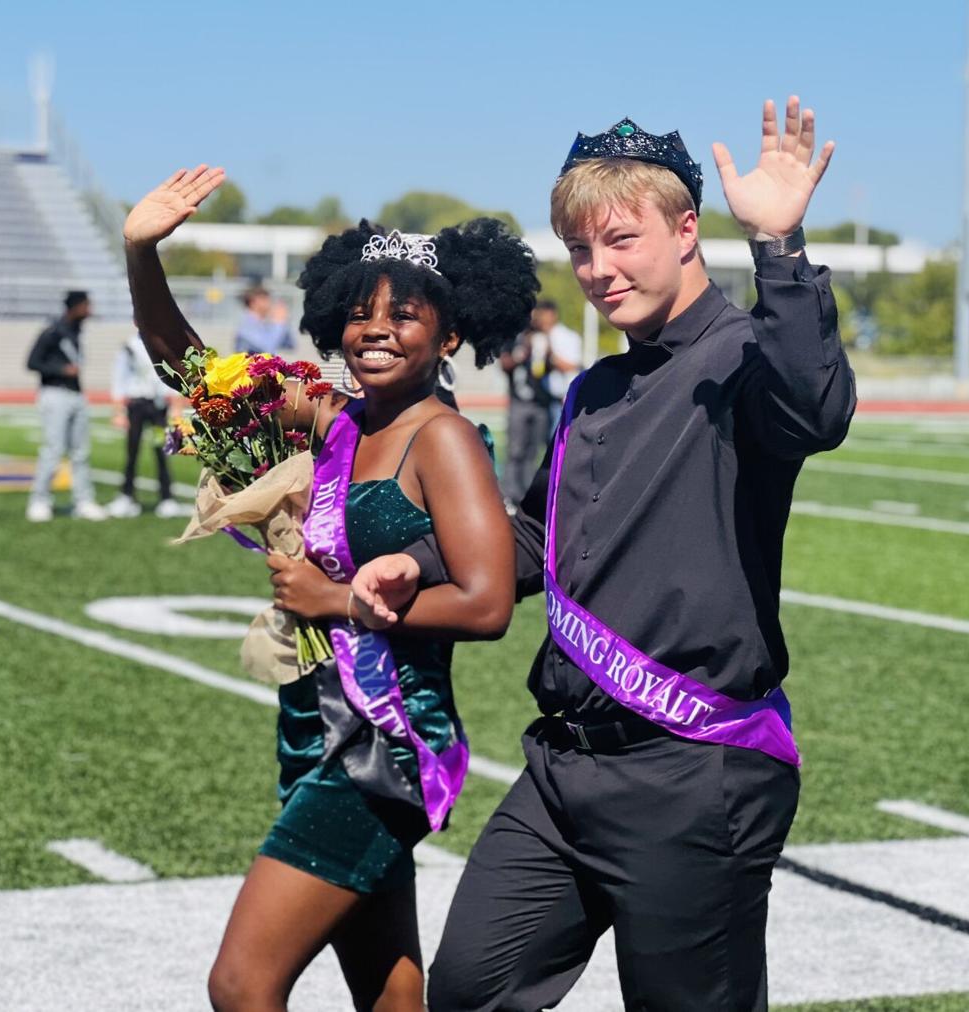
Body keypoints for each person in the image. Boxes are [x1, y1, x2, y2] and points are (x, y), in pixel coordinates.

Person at [352, 97, 856, 1011]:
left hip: (695, 773)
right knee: (470, 985)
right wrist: (418, 561)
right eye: (582, 250)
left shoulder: (745, 355)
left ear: (688, 229)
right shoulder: (596, 384)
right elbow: (539, 536)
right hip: (564, 769)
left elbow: (815, 410)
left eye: (621, 241)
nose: (598, 269)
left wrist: (780, 250)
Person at [124, 166, 539, 1012]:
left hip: (386, 747)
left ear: (449, 336)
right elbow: (196, 377)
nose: (374, 331)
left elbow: (489, 603)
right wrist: (140, 254)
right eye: (359, 313)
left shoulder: (444, 440)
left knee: (241, 983)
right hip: (318, 731)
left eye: (403, 315)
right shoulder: (337, 416)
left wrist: (337, 601)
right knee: (387, 992)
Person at [24, 290, 106, 522]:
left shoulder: (76, 332)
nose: (90, 311)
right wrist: (61, 370)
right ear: (75, 307)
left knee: (81, 451)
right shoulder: (52, 332)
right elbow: (32, 362)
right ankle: (40, 500)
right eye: (87, 306)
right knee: (53, 449)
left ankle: (83, 500)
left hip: (76, 395)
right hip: (54, 394)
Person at [104, 331, 191, 519]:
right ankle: (127, 496)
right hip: (136, 406)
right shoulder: (130, 345)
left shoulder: (160, 344)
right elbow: (120, 377)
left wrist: (176, 404)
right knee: (132, 450)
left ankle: (167, 498)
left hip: (157, 407)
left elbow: (170, 373)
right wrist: (118, 411)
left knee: (161, 449)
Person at [498, 324, 553, 506]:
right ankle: (510, 494)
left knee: (533, 451)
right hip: (519, 402)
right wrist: (523, 354)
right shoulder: (513, 339)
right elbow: (505, 364)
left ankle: (527, 494)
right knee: (515, 450)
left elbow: (549, 367)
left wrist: (545, 351)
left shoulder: (543, 338)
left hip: (539, 402)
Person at [533, 298, 583, 432]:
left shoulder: (568, 336)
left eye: (542, 315)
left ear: (551, 314)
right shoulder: (538, 337)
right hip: (545, 399)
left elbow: (572, 366)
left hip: (563, 399)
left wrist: (551, 357)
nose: (540, 319)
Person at [233, 285, 294, 355]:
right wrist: (279, 323)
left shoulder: (264, 324)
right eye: (264, 300)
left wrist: (283, 322)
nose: (269, 303)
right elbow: (267, 349)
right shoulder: (246, 324)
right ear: (253, 302)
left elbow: (289, 345)